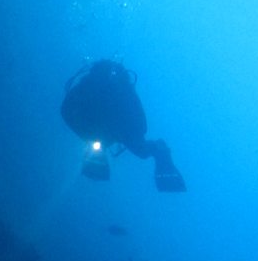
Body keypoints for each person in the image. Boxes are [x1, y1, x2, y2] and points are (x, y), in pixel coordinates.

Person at [61, 59, 185, 192]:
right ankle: (159, 151)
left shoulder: (101, 89)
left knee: (139, 150)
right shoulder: (90, 89)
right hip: (113, 128)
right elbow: (66, 111)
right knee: (138, 150)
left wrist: (92, 137)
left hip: (120, 127)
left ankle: (160, 150)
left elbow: (66, 112)